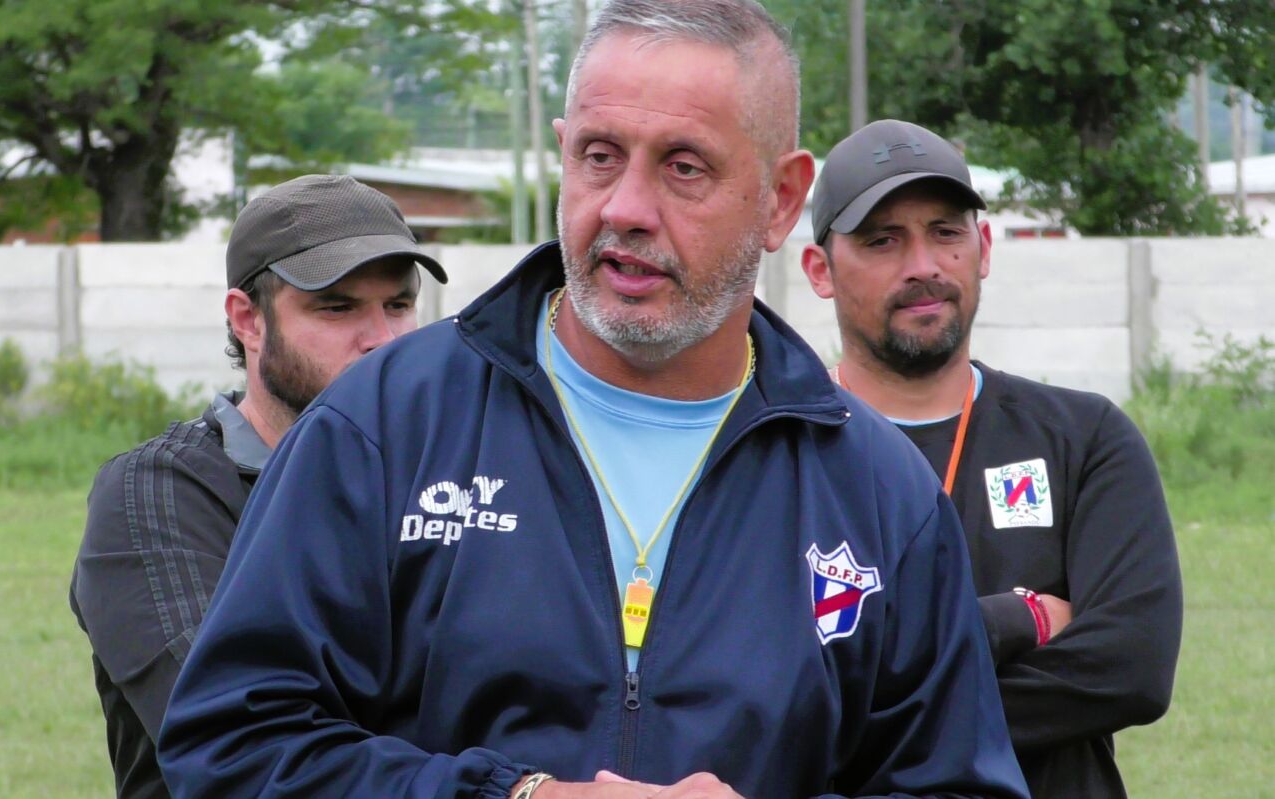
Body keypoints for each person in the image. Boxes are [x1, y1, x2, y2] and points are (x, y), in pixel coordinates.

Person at [157, 4, 1030, 798]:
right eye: (599, 157)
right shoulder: (387, 425)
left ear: (781, 199)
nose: (626, 208)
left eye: (684, 167)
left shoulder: (879, 492)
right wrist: (512, 798)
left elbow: (961, 784)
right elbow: (231, 746)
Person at [799, 119, 1182, 799]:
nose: (923, 265)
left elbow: (1131, 668)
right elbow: (765, 683)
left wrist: (870, 707)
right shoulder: (780, 452)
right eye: (883, 239)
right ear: (819, 270)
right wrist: (1019, 618)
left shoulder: (1085, 438)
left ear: (982, 247)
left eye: (945, 231)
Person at [69, 174, 447, 799]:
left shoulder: (449, 489)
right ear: (248, 320)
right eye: (338, 307)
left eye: (399, 305)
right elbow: (240, 740)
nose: (382, 339)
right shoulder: (159, 496)